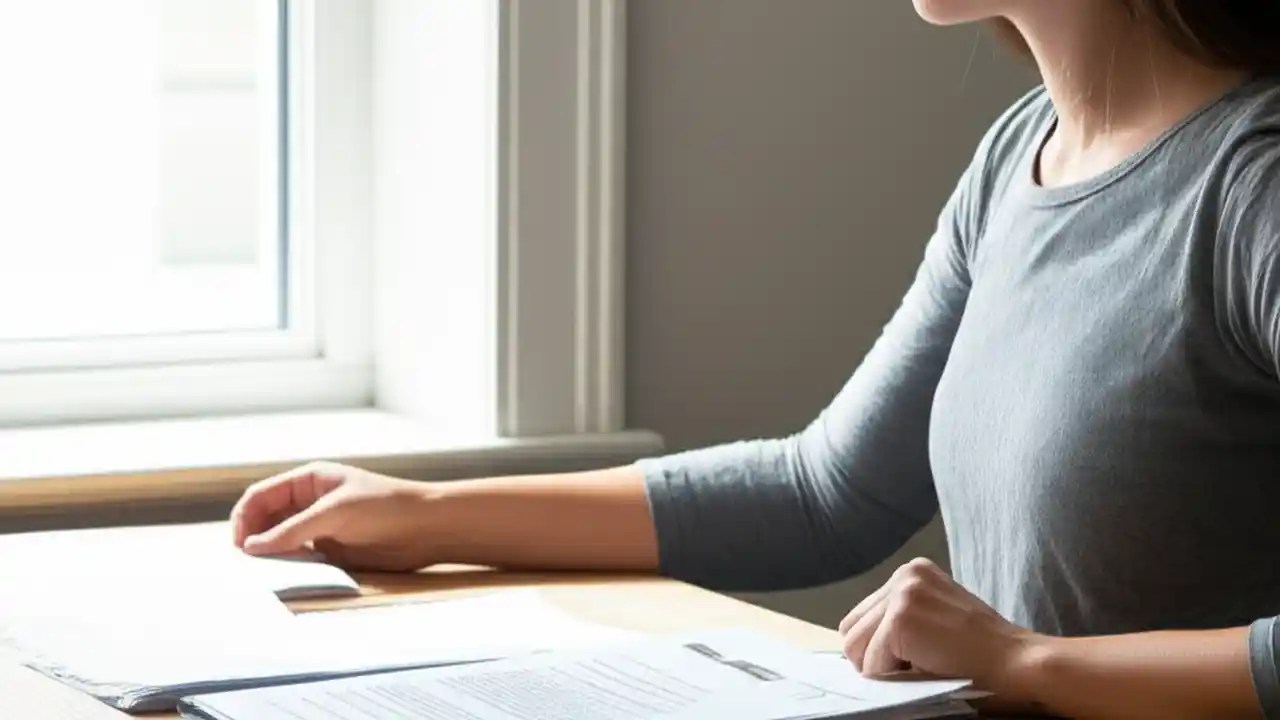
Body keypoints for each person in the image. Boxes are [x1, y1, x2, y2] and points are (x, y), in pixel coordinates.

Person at [230, 2, 1280, 717]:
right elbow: (822, 492)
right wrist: (421, 518)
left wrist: (1028, 664)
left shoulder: (1253, 188)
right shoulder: (1019, 157)